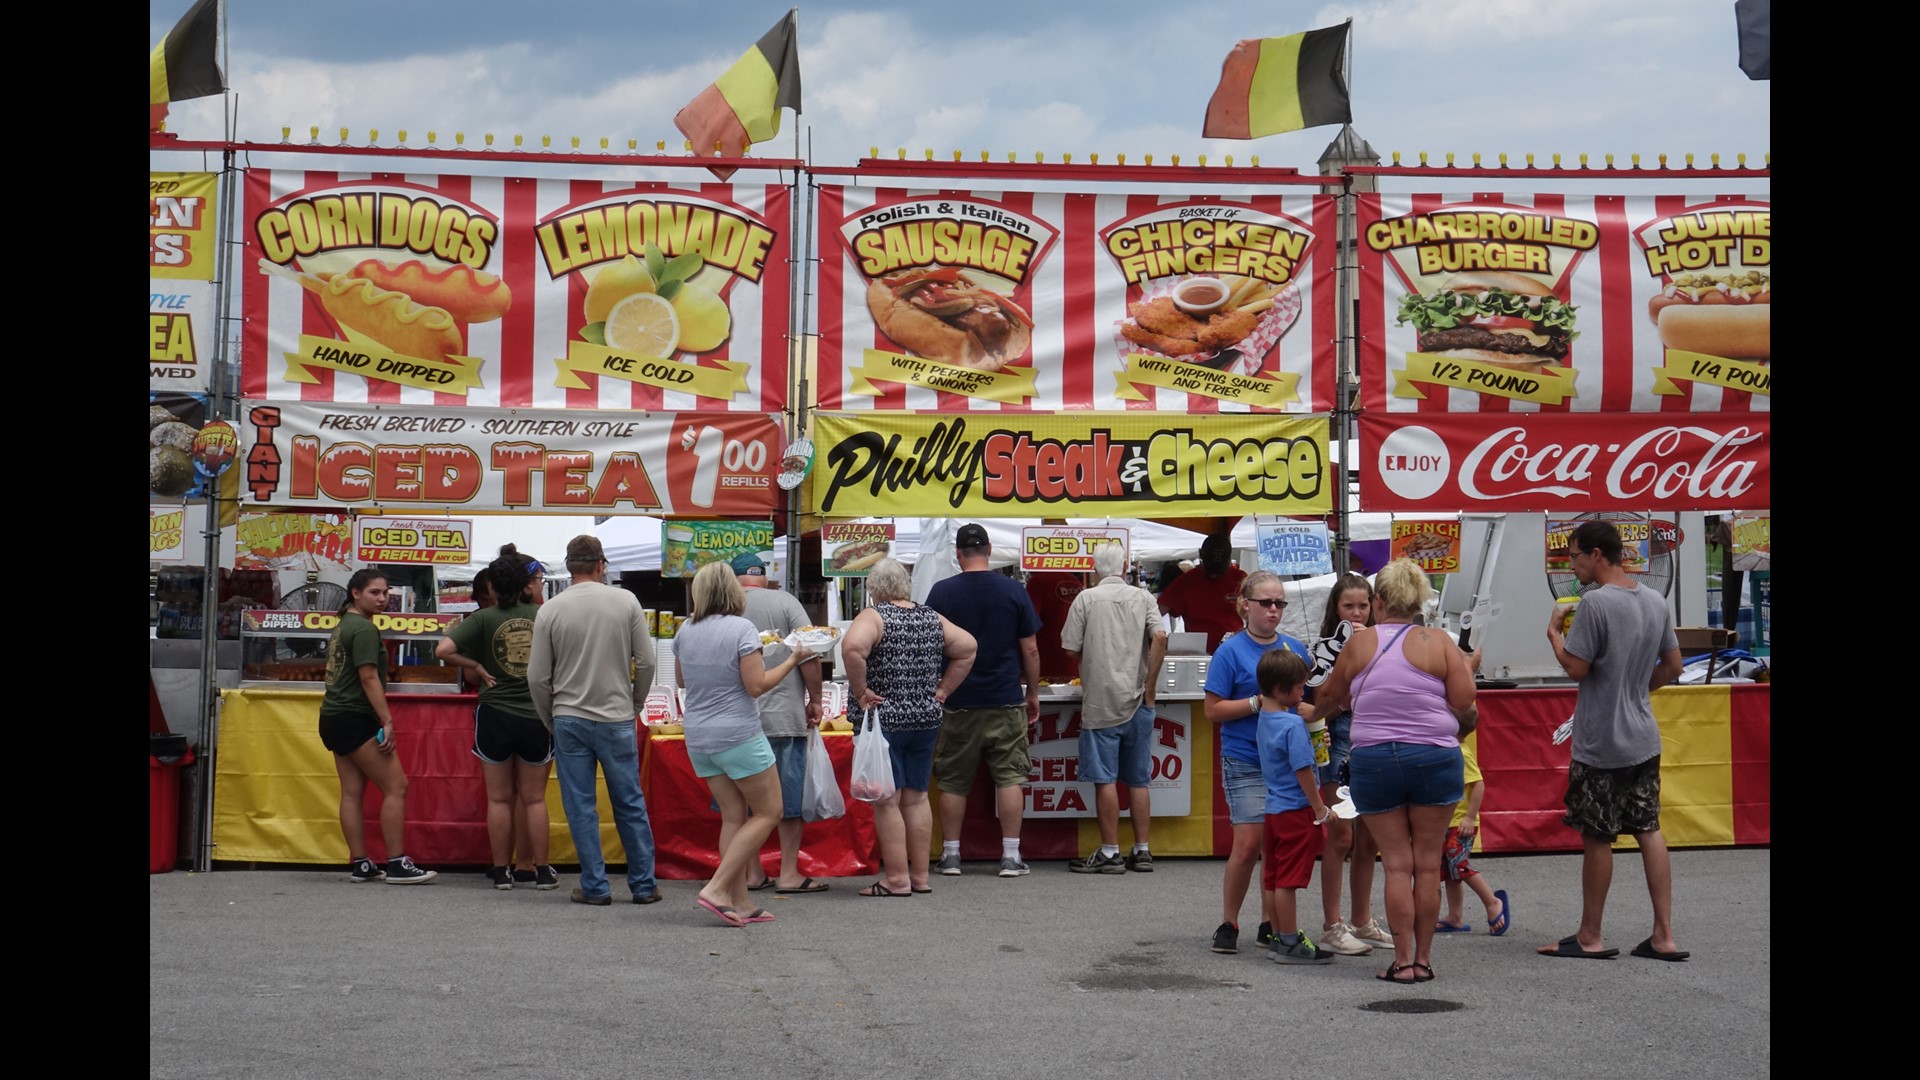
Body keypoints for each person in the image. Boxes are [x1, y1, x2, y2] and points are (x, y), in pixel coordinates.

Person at [1312, 558, 1477, 985]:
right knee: (1427, 864)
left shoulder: (1360, 645)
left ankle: (1402, 962)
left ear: (1379, 602)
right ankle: (1423, 959)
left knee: (1397, 865)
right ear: (1420, 601)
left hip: (1376, 759)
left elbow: (1327, 697)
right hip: (1435, 757)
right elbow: (1464, 701)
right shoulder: (1439, 641)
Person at [1539, 520, 1688, 963]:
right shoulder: (1654, 601)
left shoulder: (1596, 605)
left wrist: (1554, 636)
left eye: (1575, 555)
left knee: (1598, 836)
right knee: (1648, 828)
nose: (1572, 564)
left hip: (1601, 739)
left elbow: (1577, 669)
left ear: (1598, 555)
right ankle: (1663, 934)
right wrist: (1637, 690)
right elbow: (1675, 666)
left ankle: (1591, 935)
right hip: (1643, 735)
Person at [674, 561, 819, 926]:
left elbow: (683, 681)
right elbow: (756, 686)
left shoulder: (686, 629)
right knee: (770, 811)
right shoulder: (742, 628)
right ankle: (718, 887)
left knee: (733, 816)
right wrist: (793, 659)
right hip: (738, 733)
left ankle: (741, 901)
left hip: (700, 735)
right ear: (733, 592)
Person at [528, 535, 660, 907]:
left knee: (581, 805)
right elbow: (647, 662)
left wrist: (549, 716)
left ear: (569, 567)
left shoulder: (551, 609)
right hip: (616, 714)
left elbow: (537, 677)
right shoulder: (626, 601)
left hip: (569, 716)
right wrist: (635, 704)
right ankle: (644, 885)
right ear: (601, 564)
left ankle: (595, 886)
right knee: (630, 802)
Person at [840, 557, 978, 897]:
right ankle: (920, 877)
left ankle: (897, 880)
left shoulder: (875, 616)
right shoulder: (930, 616)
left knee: (887, 801)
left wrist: (861, 692)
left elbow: (853, 647)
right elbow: (968, 647)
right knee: (916, 799)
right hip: (925, 718)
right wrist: (943, 690)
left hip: (883, 721)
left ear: (874, 590)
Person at [1200, 570, 1311, 954]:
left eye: (1280, 602)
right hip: (1245, 757)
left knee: (1277, 845)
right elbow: (1212, 710)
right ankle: (1229, 921)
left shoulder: (1297, 649)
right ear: (1245, 605)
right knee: (1248, 843)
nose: (1274, 610)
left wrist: (1321, 722)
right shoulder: (1230, 652)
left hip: (1283, 763)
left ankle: (1271, 924)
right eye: (1266, 603)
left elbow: (1302, 704)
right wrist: (1254, 704)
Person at [436, 546, 558, 891]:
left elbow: (442, 650)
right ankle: (542, 870)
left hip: (494, 715)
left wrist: (474, 665)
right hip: (536, 714)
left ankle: (502, 870)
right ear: (525, 585)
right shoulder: (543, 615)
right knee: (534, 798)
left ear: (491, 587)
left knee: (499, 798)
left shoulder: (481, 619)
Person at [926, 523, 1042, 878]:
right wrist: (1032, 693)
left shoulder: (941, 593)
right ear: (989, 550)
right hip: (1005, 698)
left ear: (958, 555)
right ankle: (1010, 855)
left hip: (957, 700)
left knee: (953, 780)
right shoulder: (1013, 590)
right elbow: (1031, 649)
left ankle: (950, 856)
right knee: (1009, 778)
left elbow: (931, 647)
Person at [319, 569, 436, 884]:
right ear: (355, 593)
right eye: (374, 592)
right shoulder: (364, 629)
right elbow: (368, 677)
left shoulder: (345, 624)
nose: (382, 598)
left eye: (385, 592)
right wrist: (387, 719)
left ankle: (362, 863)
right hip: (355, 716)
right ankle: (396, 862)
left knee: (352, 793)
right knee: (396, 786)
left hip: (332, 716)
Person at [1060, 541, 1167, 874]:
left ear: (1095, 570)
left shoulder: (1086, 599)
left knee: (1105, 779)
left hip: (1101, 699)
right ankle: (1143, 849)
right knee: (1138, 780)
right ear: (1124, 567)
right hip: (1139, 698)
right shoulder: (1145, 597)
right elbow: (1161, 637)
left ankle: (1110, 852)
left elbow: (1070, 648)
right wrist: (1150, 685)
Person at [732, 552, 828, 895]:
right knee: (787, 801)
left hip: (737, 720)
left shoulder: (722, 606)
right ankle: (788, 872)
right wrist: (815, 700)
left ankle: (752, 872)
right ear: (763, 576)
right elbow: (810, 655)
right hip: (783, 716)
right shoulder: (786, 601)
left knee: (740, 802)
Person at [1305, 573, 1387, 956]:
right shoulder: (1322, 649)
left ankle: (1362, 920)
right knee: (1340, 835)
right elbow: (1317, 700)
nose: (1356, 613)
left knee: (1369, 839)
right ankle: (1332, 925)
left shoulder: (1383, 644)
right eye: (1348, 606)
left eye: (1363, 606)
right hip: (1336, 745)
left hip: (1372, 743)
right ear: (1334, 611)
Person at [1254, 649, 1334, 964]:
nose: (1303, 693)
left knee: (1273, 876)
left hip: (1274, 809)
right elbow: (1302, 769)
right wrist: (1320, 808)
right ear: (1284, 690)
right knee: (1289, 880)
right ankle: (1289, 940)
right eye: (1300, 687)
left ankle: (1278, 934)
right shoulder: (1291, 725)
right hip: (1297, 809)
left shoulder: (1266, 718)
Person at [1437, 731, 1511, 936]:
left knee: (1459, 866)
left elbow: (1478, 784)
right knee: (1450, 870)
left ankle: (1492, 902)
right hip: (1447, 822)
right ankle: (1455, 916)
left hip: (1460, 823)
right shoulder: (1448, 750)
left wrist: (1469, 817)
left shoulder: (1461, 753)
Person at [1157, 531, 1247, 651]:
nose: (1215, 575)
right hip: (1199, 651)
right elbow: (1157, 611)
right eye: (1212, 564)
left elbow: (1256, 609)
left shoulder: (1239, 578)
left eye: (1220, 564)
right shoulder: (1187, 581)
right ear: (1201, 555)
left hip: (1234, 647)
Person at [1025, 569, 1084, 682]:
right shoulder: (1074, 580)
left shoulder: (1037, 582)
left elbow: (1028, 624)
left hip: (1046, 667)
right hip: (1074, 663)